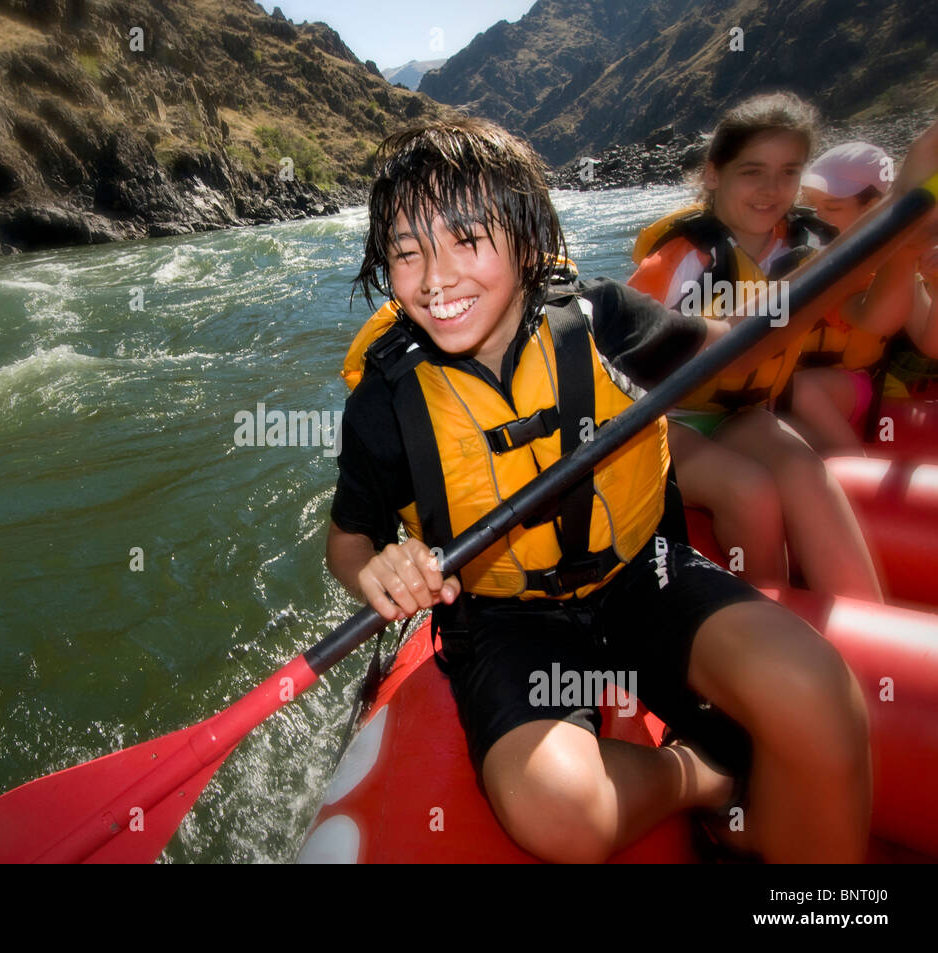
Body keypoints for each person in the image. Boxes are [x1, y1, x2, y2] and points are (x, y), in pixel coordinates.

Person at [320, 114, 938, 863]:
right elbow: (349, 538)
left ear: (525, 237)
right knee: (559, 811)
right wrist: (374, 569)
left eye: (467, 239)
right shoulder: (386, 401)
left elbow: (755, 337)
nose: (437, 278)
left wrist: (898, 224)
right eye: (408, 252)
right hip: (508, 619)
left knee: (816, 687)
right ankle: (701, 777)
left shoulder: (601, 319)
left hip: (642, 572)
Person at [628, 93, 880, 598]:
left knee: (805, 470)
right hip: (662, 421)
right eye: (752, 172)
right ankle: (773, 629)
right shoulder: (680, 259)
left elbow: (866, 326)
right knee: (751, 493)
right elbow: (615, 349)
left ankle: (869, 636)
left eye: (788, 172)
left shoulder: (803, 248)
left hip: (742, 411)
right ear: (714, 174)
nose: (771, 190)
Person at [791, 142, 938, 452]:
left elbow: (930, 342)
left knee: (802, 388)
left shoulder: (898, 265)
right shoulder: (806, 255)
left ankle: (856, 465)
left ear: (872, 210)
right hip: (813, 398)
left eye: (831, 208)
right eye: (812, 206)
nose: (817, 218)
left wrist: (936, 285)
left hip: (848, 388)